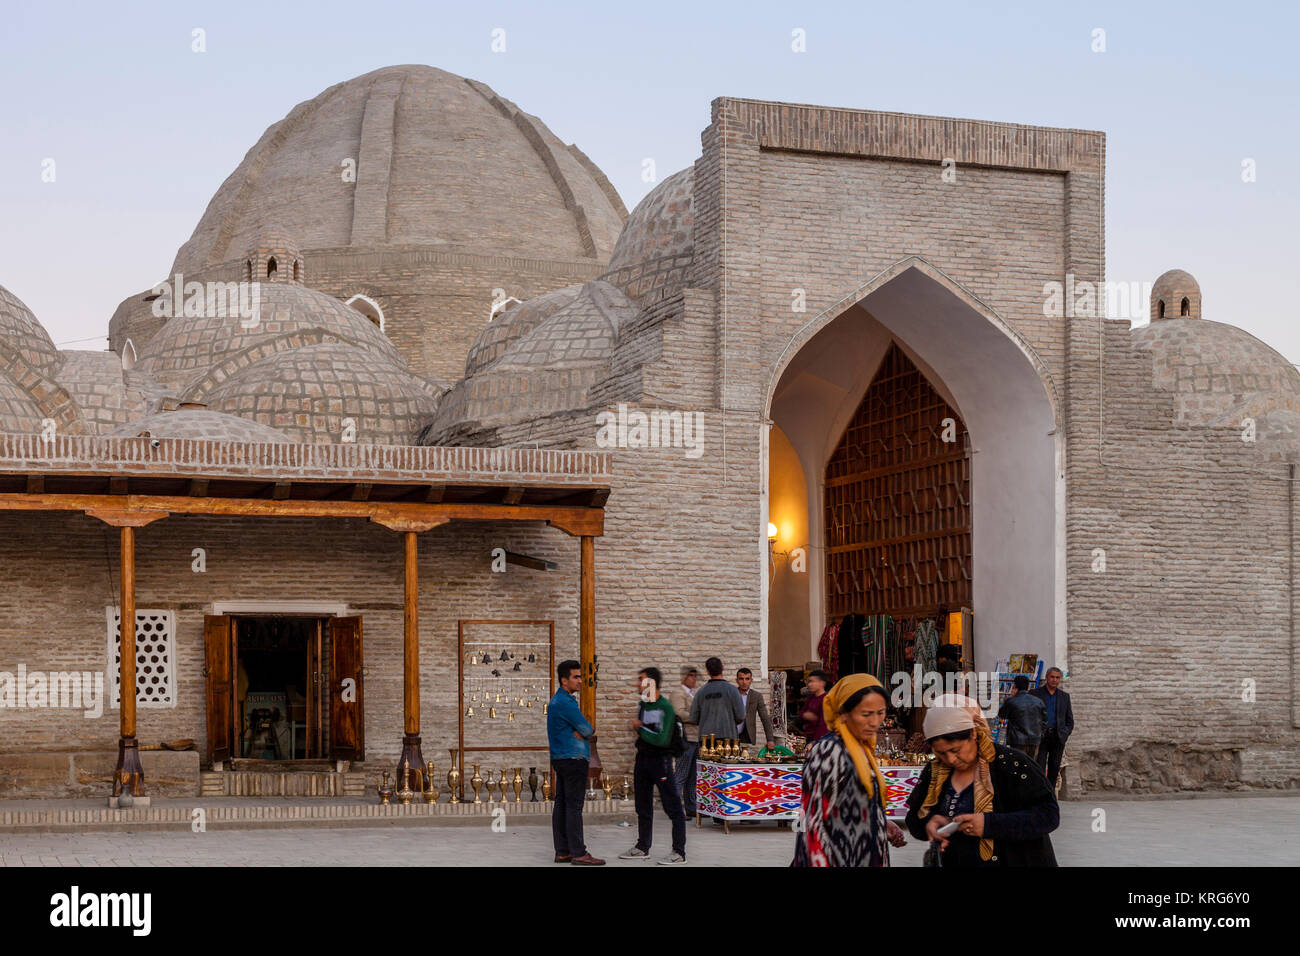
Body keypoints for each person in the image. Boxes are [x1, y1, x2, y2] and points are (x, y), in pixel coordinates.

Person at [904, 694, 1058, 866]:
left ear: (973, 734)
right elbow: (913, 819)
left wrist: (989, 824)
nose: (951, 759)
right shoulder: (934, 771)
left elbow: (1048, 815)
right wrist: (929, 823)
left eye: (955, 750)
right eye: (941, 753)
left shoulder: (1012, 765)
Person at [792, 675, 909, 867]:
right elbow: (812, 823)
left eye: (881, 713)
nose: (875, 722)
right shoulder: (830, 751)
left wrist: (878, 821)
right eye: (866, 714)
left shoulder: (861, 748)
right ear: (844, 713)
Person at [620, 667, 688, 865]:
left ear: (651, 683)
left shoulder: (665, 707)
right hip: (643, 760)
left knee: (673, 806)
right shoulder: (643, 705)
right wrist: (641, 729)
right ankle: (642, 847)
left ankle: (679, 852)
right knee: (642, 806)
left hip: (661, 761)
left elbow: (662, 739)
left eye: (641, 680)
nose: (637, 683)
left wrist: (640, 727)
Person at [546, 659, 604, 865]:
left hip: (561, 758)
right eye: (576, 677)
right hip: (573, 759)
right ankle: (579, 852)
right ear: (564, 680)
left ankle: (563, 851)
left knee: (562, 804)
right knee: (573, 806)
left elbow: (583, 729)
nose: (580, 681)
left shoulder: (556, 701)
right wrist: (584, 729)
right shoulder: (566, 702)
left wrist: (581, 729)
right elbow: (588, 729)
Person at [1030, 667, 1074, 791]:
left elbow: (1069, 720)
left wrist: (1065, 733)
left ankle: (1050, 795)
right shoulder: (1035, 694)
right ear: (1047, 677)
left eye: (1057, 678)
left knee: (1054, 768)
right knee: (1039, 767)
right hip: (1040, 737)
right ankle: (1040, 794)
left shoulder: (1064, 697)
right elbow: (1030, 715)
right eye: (1052, 677)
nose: (1054, 680)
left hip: (1057, 737)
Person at [689, 657, 745, 742]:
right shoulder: (732, 690)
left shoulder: (700, 692)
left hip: (706, 739)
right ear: (722, 668)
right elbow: (741, 715)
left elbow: (693, 718)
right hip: (728, 737)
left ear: (707, 671)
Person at [669, 666, 700, 817]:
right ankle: (675, 808)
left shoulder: (693, 693)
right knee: (681, 774)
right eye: (691, 676)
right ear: (684, 677)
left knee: (693, 775)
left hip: (696, 737)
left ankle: (691, 806)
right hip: (685, 738)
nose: (693, 679)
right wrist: (698, 716)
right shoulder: (678, 693)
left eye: (695, 676)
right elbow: (679, 713)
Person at [998, 675, 1046, 761]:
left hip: (1017, 740)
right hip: (1034, 740)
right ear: (1028, 687)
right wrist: (1040, 734)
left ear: (1015, 686)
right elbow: (1045, 720)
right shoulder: (1038, 701)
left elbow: (1002, 714)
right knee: (1031, 764)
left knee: (1018, 764)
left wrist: (1010, 698)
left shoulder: (1012, 701)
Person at [736, 667, 776, 745]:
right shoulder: (731, 694)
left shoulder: (756, 696)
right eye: (741, 679)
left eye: (747, 679)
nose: (744, 682)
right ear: (736, 680)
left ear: (751, 680)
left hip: (747, 735)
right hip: (731, 735)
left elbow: (765, 718)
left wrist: (770, 740)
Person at [799, 670, 830, 741]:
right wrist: (805, 715)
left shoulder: (826, 700)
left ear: (822, 683)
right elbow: (801, 714)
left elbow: (823, 725)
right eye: (809, 682)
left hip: (820, 739)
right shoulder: (811, 698)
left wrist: (815, 742)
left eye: (812, 681)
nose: (809, 684)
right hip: (809, 736)